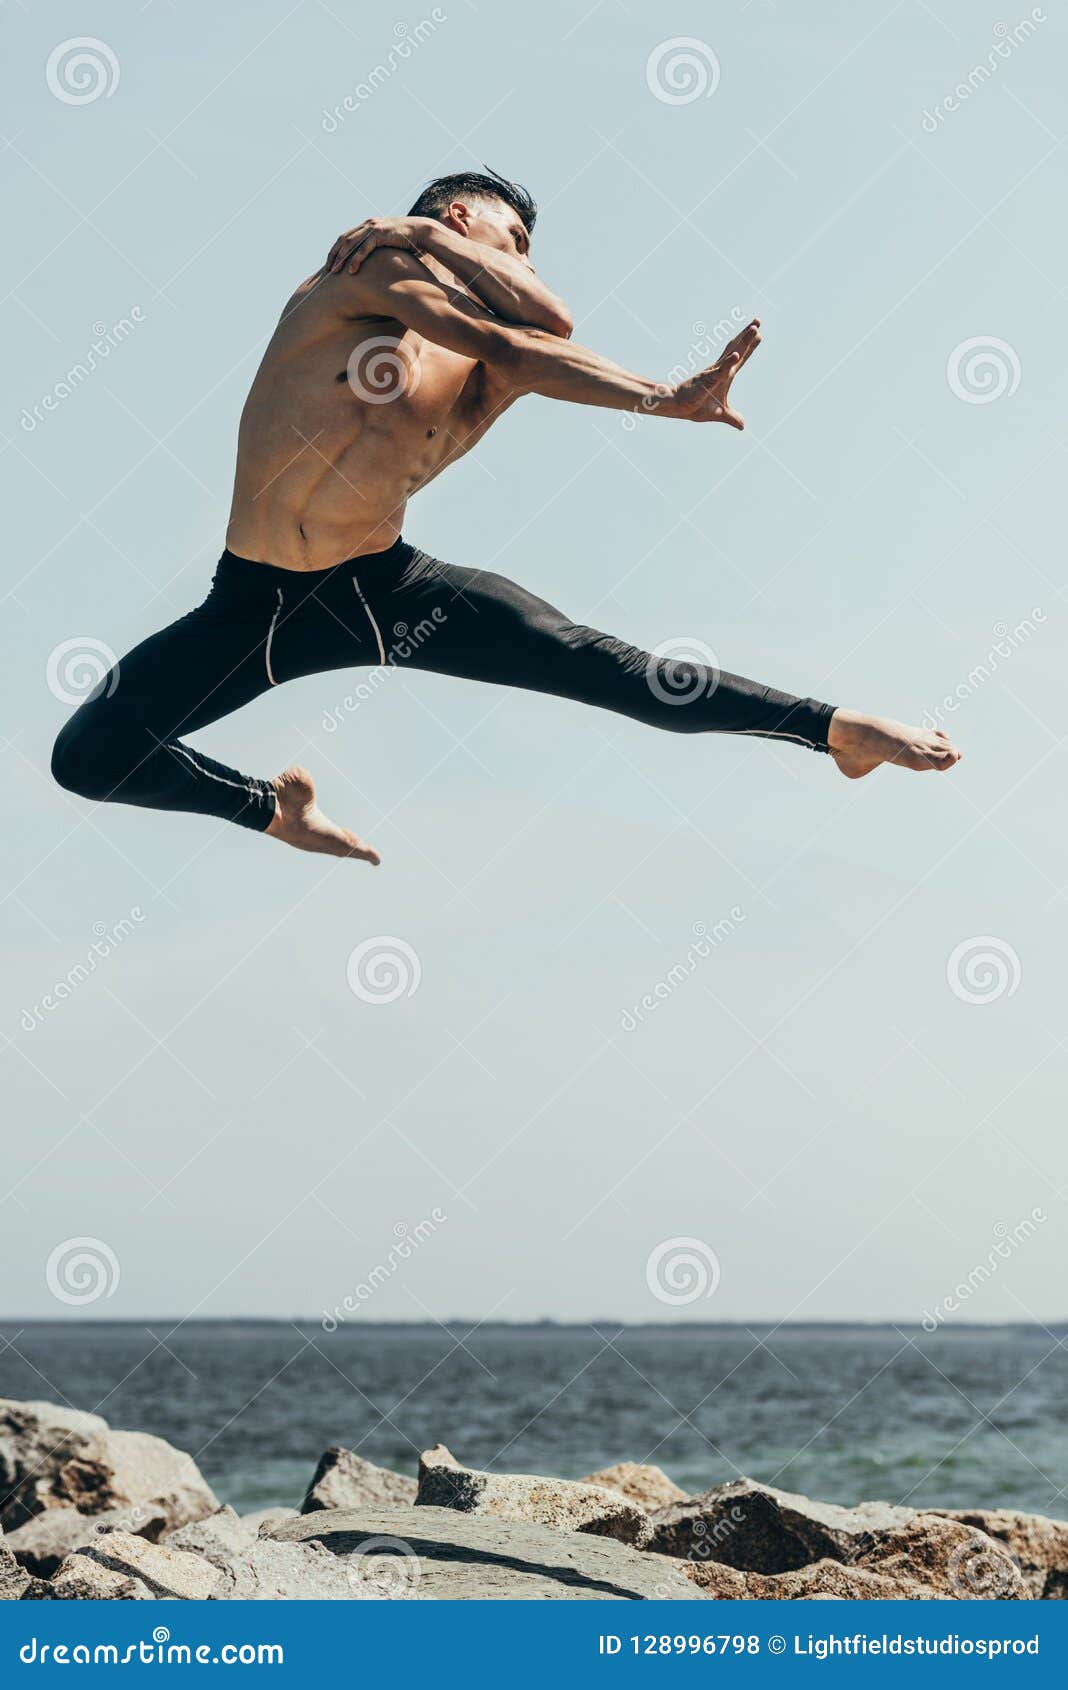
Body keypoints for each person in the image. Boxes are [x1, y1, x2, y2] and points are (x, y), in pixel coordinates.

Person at [51, 170, 961, 863]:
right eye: (513, 236)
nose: (524, 259)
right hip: (251, 608)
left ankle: (836, 730)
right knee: (90, 757)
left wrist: (672, 398)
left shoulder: (495, 361)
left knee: (599, 667)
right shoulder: (367, 274)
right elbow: (505, 327)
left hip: (384, 590)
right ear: (455, 220)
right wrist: (413, 233)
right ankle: (270, 813)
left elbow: (543, 329)